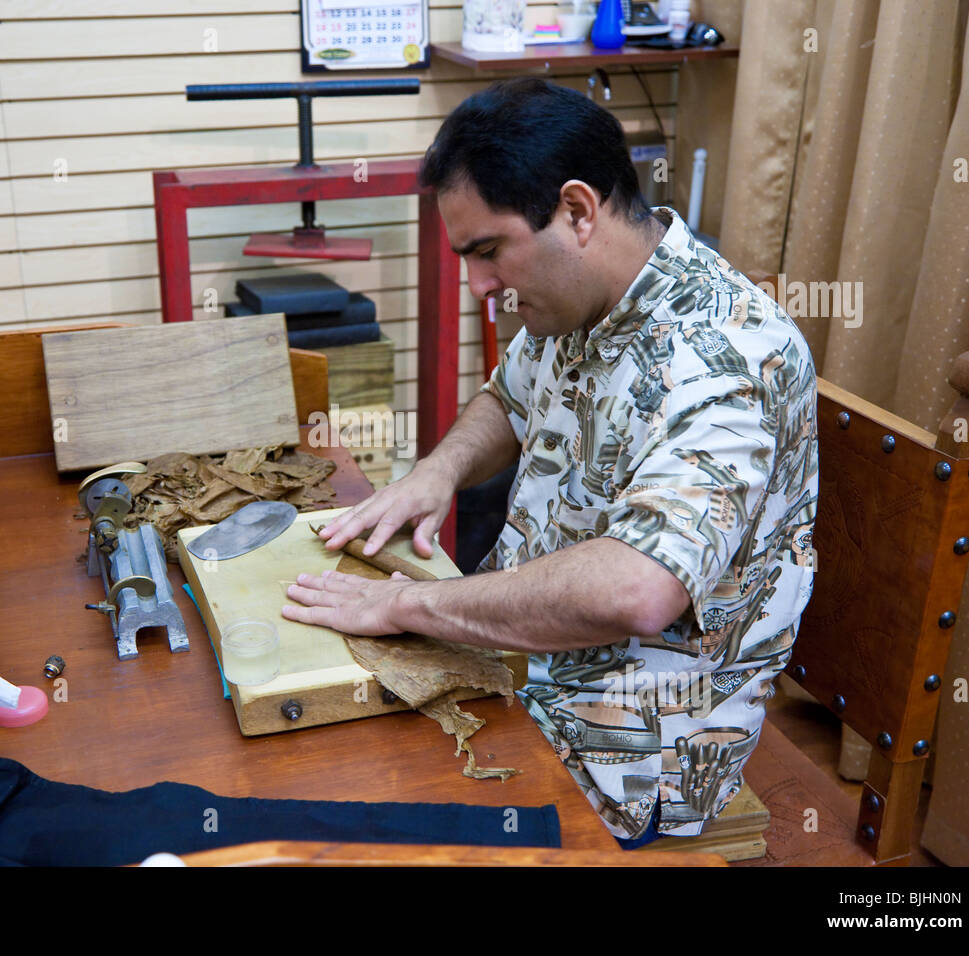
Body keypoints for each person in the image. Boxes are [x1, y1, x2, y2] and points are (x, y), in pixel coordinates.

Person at [281, 77, 819, 845]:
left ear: (576, 211)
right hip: (523, 670)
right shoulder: (578, 295)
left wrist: (409, 606)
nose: (479, 287)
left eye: (488, 251)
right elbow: (509, 399)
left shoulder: (729, 359)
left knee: (330, 816)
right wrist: (435, 474)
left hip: (627, 752)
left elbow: (638, 589)